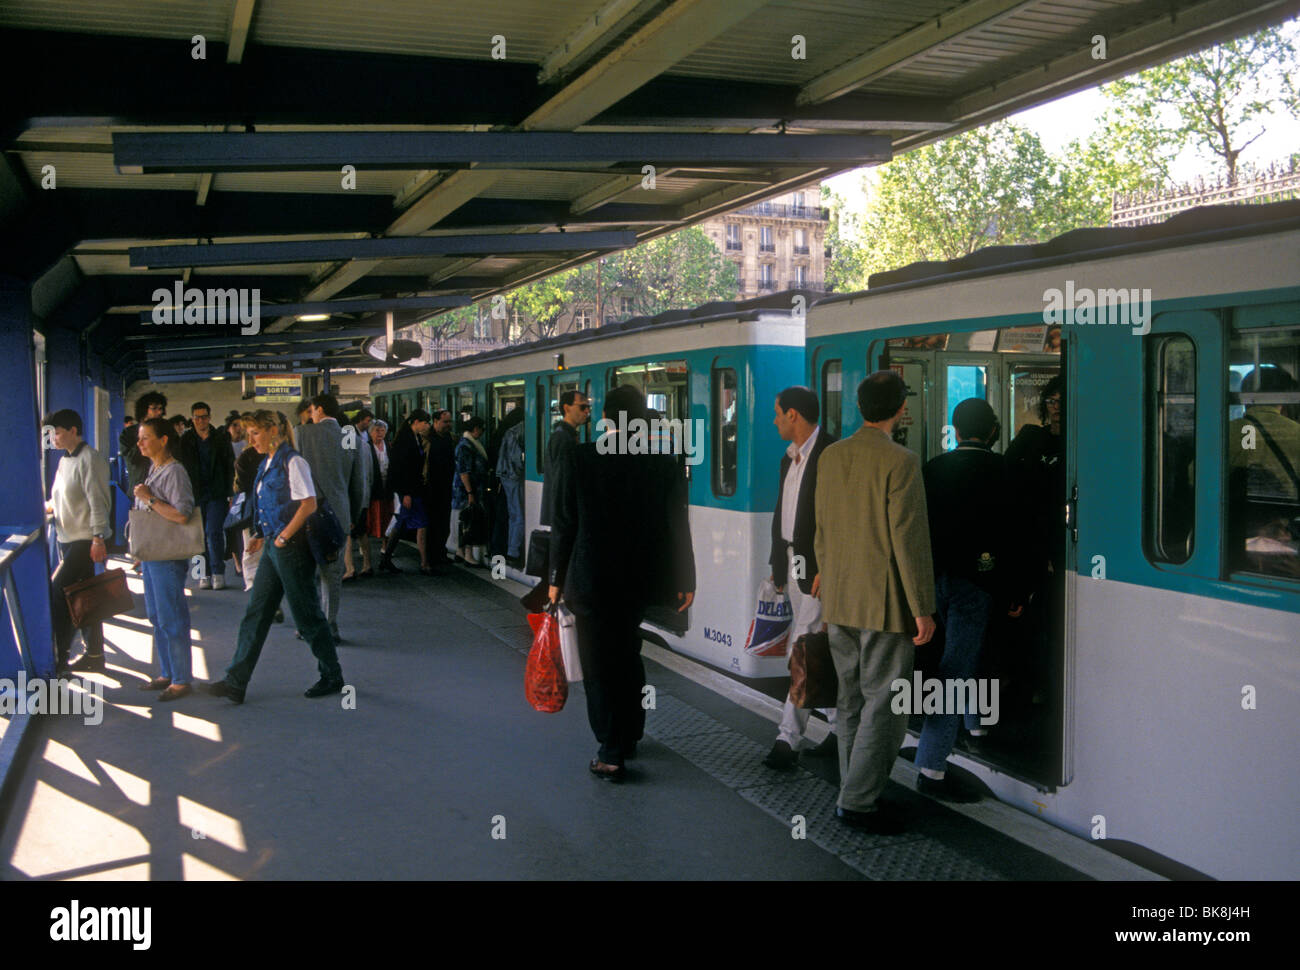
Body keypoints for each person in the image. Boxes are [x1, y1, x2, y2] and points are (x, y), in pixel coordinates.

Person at [548, 384, 696, 781]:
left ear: (605, 418)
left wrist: (553, 580)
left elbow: (564, 524)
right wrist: (686, 579)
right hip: (638, 582)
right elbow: (676, 524)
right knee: (629, 652)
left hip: (592, 579)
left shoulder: (580, 457)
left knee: (598, 664)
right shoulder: (663, 461)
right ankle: (631, 733)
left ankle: (611, 751)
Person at [814, 371, 936, 834]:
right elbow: (909, 539)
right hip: (884, 602)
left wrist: (827, 577)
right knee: (885, 704)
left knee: (849, 700)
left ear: (860, 408)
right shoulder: (901, 461)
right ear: (900, 409)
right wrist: (921, 606)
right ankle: (859, 802)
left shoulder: (831, 455)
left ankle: (853, 788)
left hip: (840, 596)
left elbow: (821, 525)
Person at [915, 398, 1023, 801]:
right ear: (993, 431)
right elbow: (1015, 534)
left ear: (955, 430)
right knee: (957, 666)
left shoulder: (932, 468)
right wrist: (1014, 590)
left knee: (961, 652)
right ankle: (930, 766)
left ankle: (976, 724)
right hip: (977, 583)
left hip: (934, 581)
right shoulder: (1005, 470)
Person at [206, 410, 346, 703]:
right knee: (256, 613)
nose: (250, 439)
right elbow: (269, 504)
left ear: (272, 431)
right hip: (273, 545)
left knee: (306, 615)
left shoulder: (293, 462)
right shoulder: (267, 462)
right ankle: (236, 681)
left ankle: (332, 674)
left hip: (291, 549)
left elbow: (307, 504)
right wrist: (260, 534)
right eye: (249, 433)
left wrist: (283, 536)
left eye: (255, 433)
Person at [761, 386, 839, 771]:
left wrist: (830, 564)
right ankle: (841, 730)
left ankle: (787, 739)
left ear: (793, 414)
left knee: (803, 645)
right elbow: (782, 514)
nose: (774, 420)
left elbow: (839, 517)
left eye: (777, 413)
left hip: (817, 567)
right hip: (793, 561)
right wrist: (778, 564)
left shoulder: (831, 454)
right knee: (816, 647)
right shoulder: (788, 459)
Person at [131, 417, 196, 702]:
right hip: (152, 553)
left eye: (145, 437)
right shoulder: (154, 468)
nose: (140, 443)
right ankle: (167, 672)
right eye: (139, 438)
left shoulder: (175, 472)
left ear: (164, 439)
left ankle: (181, 679)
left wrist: (149, 499)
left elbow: (182, 514)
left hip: (167, 555)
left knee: (172, 616)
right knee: (157, 616)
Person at [44, 409, 112, 675]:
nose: (54, 438)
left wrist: (98, 537)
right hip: (66, 538)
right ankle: (94, 654)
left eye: (57, 432)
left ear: (73, 430)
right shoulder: (64, 461)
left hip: (85, 540)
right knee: (84, 598)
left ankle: (60, 658)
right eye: (50, 434)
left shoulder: (90, 459)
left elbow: (98, 502)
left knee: (58, 593)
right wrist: (50, 508)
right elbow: (61, 496)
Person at [296, 393, 365, 643]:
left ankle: (308, 625)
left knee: (305, 573)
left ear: (319, 409)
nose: (311, 415)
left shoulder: (303, 434)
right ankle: (330, 624)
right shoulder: (349, 435)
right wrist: (353, 514)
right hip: (339, 513)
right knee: (332, 574)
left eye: (312, 410)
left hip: (308, 514)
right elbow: (359, 482)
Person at [178, 401, 235, 590]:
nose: (201, 421)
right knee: (196, 535)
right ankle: (201, 574)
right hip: (194, 494)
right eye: (197, 417)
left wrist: (231, 493)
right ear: (192, 419)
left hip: (216, 493)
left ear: (209, 417)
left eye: (204, 417)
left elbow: (229, 466)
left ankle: (218, 572)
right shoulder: (185, 440)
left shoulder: (220, 437)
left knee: (213, 532)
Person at [381, 409, 431, 573]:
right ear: (416, 422)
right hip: (410, 490)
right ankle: (424, 563)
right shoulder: (405, 440)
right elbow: (402, 469)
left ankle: (386, 557)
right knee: (421, 524)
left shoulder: (413, 437)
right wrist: (406, 493)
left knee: (402, 523)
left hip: (413, 489)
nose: (427, 426)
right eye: (425, 422)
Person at [539, 390, 590, 526]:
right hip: (564, 517)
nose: (587, 411)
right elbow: (562, 484)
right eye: (582, 407)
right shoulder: (563, 439)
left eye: (588, 407)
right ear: (567, 408)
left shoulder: (564, 435)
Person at [353, 418, 393, 577]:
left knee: (388, 524)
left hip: (387, 491)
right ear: (370, 433)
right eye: (377, 430)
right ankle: (366, 559)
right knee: (369, 524)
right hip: (372, 492)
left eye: (383, 431)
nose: (380, 434)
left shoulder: (389, 447)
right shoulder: (365, 448)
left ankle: (386, 552)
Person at [453, 416, 491, 567]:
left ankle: (460, 551)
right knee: (470, 520)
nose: (482, 433)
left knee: (465, 520)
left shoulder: (469, 444)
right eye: (481, 429)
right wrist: (470, 493)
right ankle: (468, 554)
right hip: (467, 491)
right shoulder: (465, 446)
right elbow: (464, 472)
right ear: (475, 429)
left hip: (469, 490)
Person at [341, 409, 374, 582]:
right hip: (363, 492)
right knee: (361, 531)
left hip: (351, 494)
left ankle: (350, 568)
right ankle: (367, 564)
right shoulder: (363, 441)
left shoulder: (347, 434)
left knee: (347, 530)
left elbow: (348, 467)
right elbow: (369, 470)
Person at [423, 409, 456, 568]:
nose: (448, 425)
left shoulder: (450, 438)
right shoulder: (427, 439)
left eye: (450, 422)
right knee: (433, 524)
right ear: (435, 421)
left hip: (446, 487)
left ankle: (441, 552)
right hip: (431, 488)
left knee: (444, 523)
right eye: (445, 422)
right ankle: (432, 557)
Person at [120, 391, 167, 492]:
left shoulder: (166, 431)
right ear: (144, 410)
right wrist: (144, 435)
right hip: (140, 488)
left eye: (160, 408)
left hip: (163, 489)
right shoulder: (128, 433)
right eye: (154, 408)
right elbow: (132, 459)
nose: (159, 412)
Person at [496, 408, 526, 566]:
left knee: (513, 514)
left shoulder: (510, 430)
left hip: (505, 475)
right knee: (518, 516)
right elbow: (517, 459)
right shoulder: (520, 431)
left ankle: (508, 549)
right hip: (513, 476)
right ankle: (513, 552)